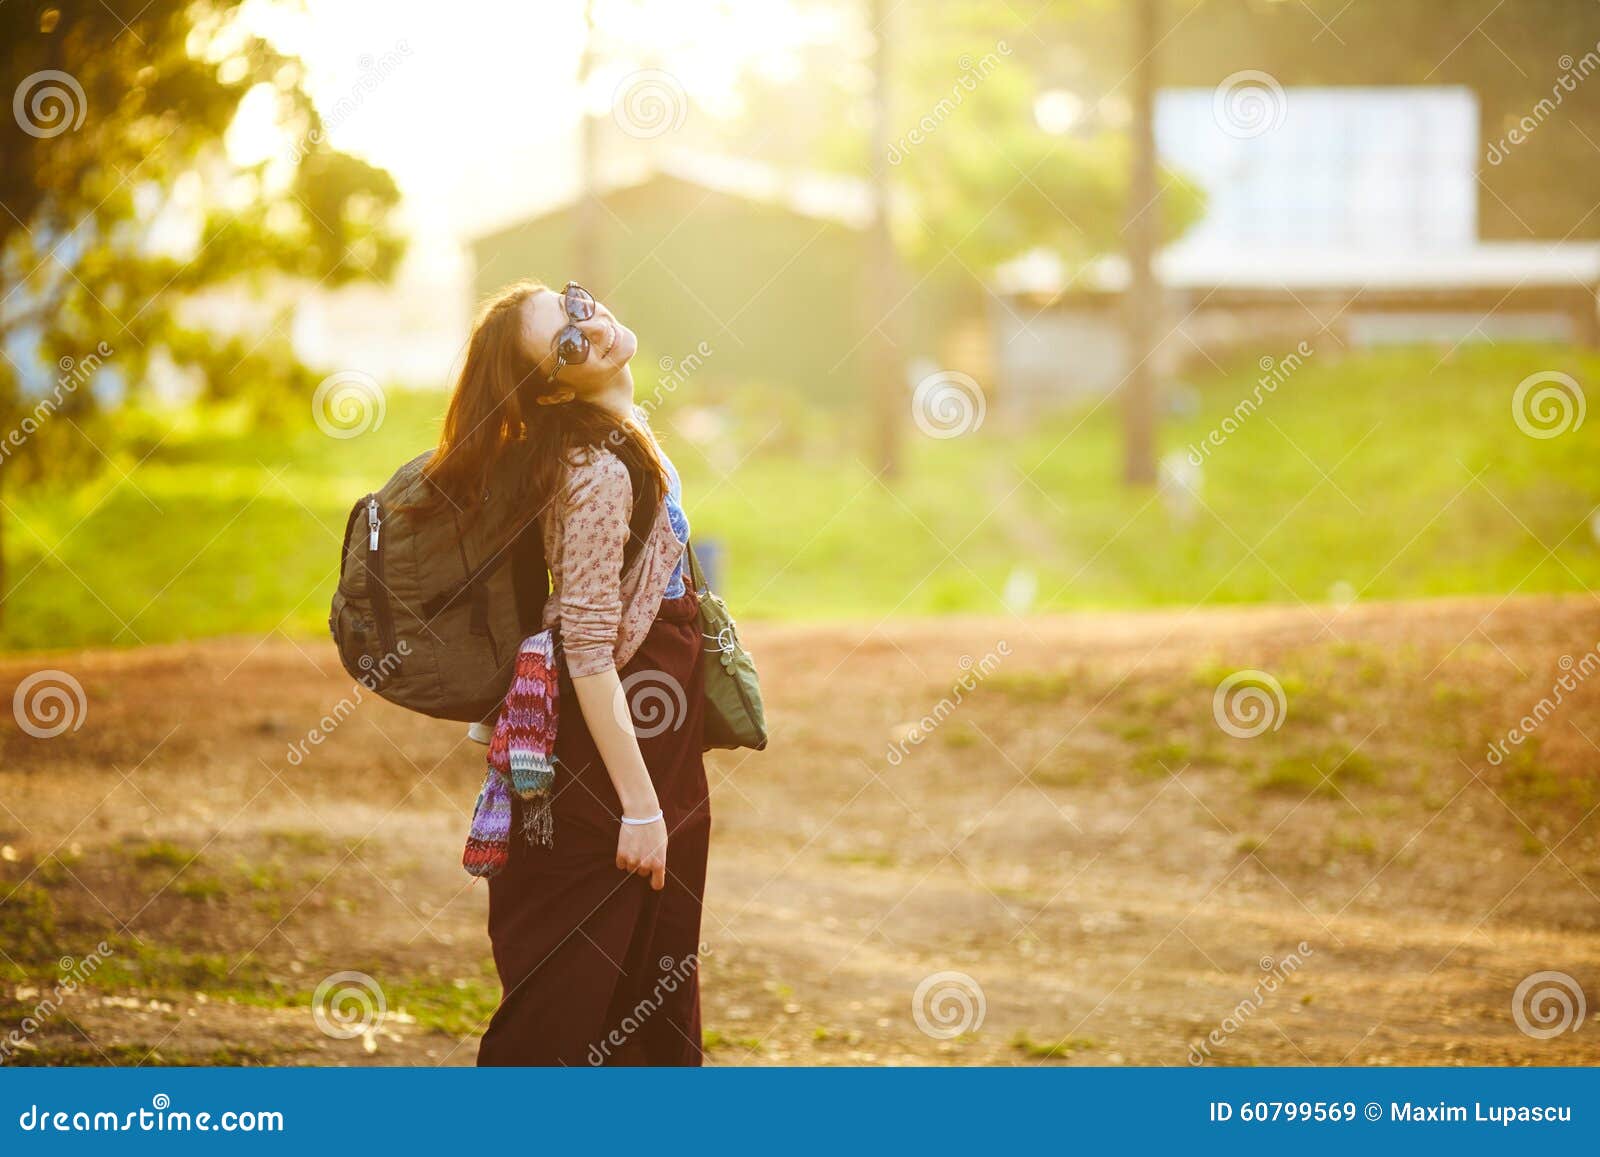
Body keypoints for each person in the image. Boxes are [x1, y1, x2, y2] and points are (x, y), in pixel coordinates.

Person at [423, 279, 708, 1066]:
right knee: (567, 1003)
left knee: (648, 982)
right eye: (569, 341)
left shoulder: (620, 434)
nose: (595, 327)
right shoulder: (597, 470)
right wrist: (642, 806)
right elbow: (585, 645)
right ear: (552, 386)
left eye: (577, 305)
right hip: (603, 756)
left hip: (646, 731)